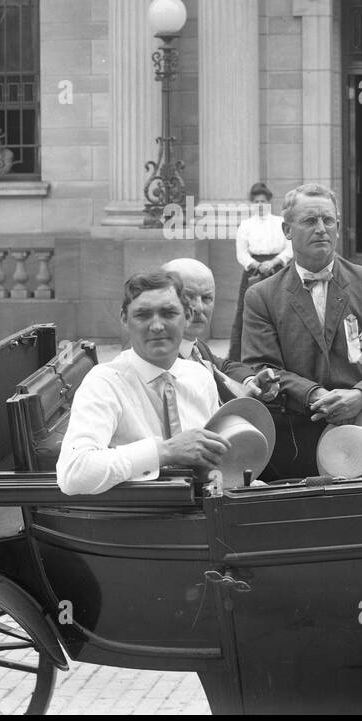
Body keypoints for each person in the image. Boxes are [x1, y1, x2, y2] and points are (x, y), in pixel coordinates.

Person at [240, 183, 362, 479]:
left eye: (328, 220)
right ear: (287, 230)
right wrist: (313, 394)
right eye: (309, 221)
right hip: (298, 435)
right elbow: (262, 367)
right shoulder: (262, 296)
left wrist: (360, 395)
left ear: (337, 226)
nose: (321, 228)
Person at [57, 270, 230, 496]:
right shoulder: (105, 383)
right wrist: (164, 451)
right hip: (140, 520)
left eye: (168, 313)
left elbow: (215, 462)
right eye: (143, 315)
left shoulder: (199, 376)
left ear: (187, 316)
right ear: (124, 319)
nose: (157, 326)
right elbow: (74, 472)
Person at [159, 257, 280, 404]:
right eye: (188, 297)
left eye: (206, 298)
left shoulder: (196, 347)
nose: (199, 308)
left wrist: (250, 381)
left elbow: (223, 366)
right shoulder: (158, 360)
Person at [227, 183, 294, 362]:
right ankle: (239, 358)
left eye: (263, 201)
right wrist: (257, 265)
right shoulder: (246, 225)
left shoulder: (280, 222)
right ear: (252, 203)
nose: (260, 205)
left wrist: (273, 262)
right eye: (256, 202)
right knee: (246, 311)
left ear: (269, 201)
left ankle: (285, 356)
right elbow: (241, 254)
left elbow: (290, 248)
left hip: (278, 269)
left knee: (282, 310)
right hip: (253, 272)